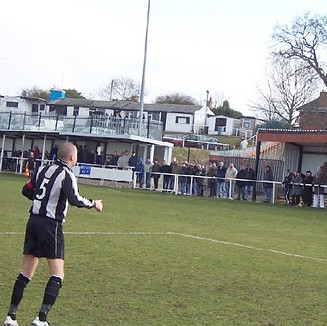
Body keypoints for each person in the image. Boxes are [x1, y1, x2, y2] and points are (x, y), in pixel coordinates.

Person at [3, 143, 103, 326]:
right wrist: (93, 203)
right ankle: (41, 318)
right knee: (57, 274)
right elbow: (74, 199)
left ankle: (11, 316)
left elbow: (26, 189)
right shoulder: (67, 175)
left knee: (26, 272)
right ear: (72, 158)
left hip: (33, 222)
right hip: (51, 225)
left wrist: (41, 200)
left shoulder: (42, 169)